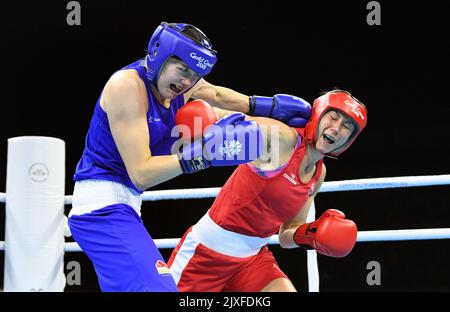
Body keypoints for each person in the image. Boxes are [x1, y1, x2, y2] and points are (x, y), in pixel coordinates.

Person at [67, 21, 311, 292]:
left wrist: (270, 107)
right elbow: (142, 173)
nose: (186, 82)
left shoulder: (182, 87)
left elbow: (218, 95)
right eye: (182, 69)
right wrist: (202, 156)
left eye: (194, 76)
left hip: (126, 208)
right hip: (100, 208)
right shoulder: (128, 87)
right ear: (159, 55)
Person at [168, 89, 368, 292]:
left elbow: (286, 236)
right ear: (319, 115)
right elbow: (231, 117)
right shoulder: (282, 140)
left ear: (349, 140)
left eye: (346, 127)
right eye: (333, 118)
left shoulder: (319, 173)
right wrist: (202, 111)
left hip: (252, 261)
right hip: (206, 255)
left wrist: (310, 235)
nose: (336, 128)